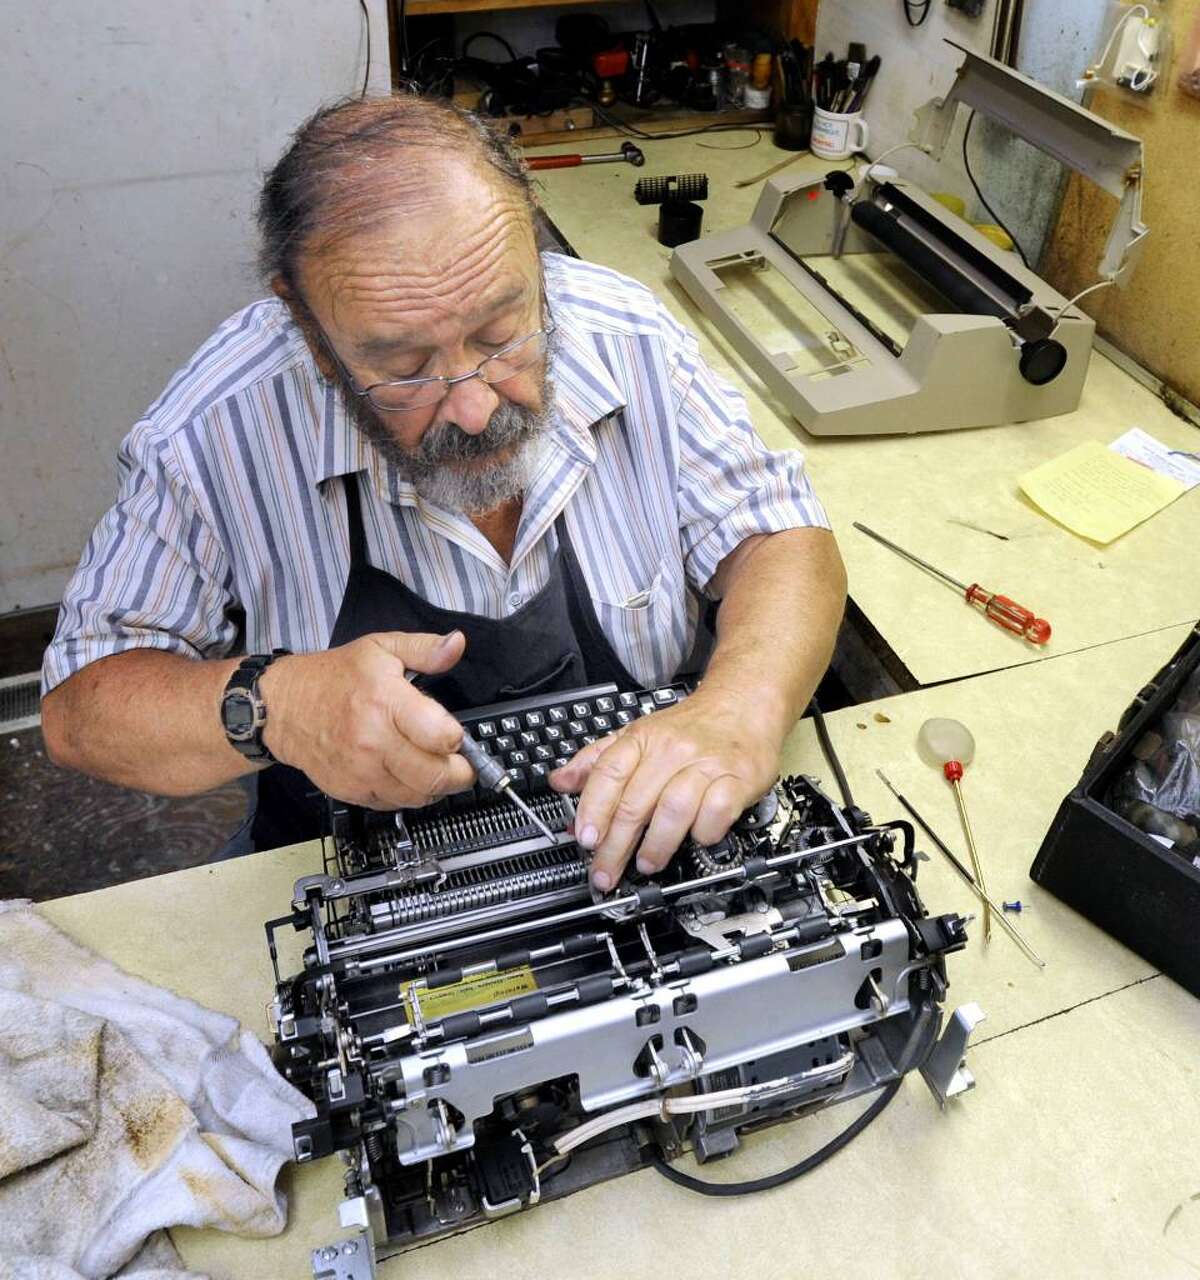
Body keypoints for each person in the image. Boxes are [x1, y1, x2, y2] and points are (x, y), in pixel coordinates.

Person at [40, 94, 846, 891]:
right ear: (311, 332)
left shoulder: (629, 338)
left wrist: (737, 709)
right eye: (404, 366)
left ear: (533, 247)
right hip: (357, 880)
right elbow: (82, 706)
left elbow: (778, 537)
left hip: (637, 843)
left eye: (500, 334)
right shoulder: (215, 428)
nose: (475, 406)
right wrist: (275, 705)